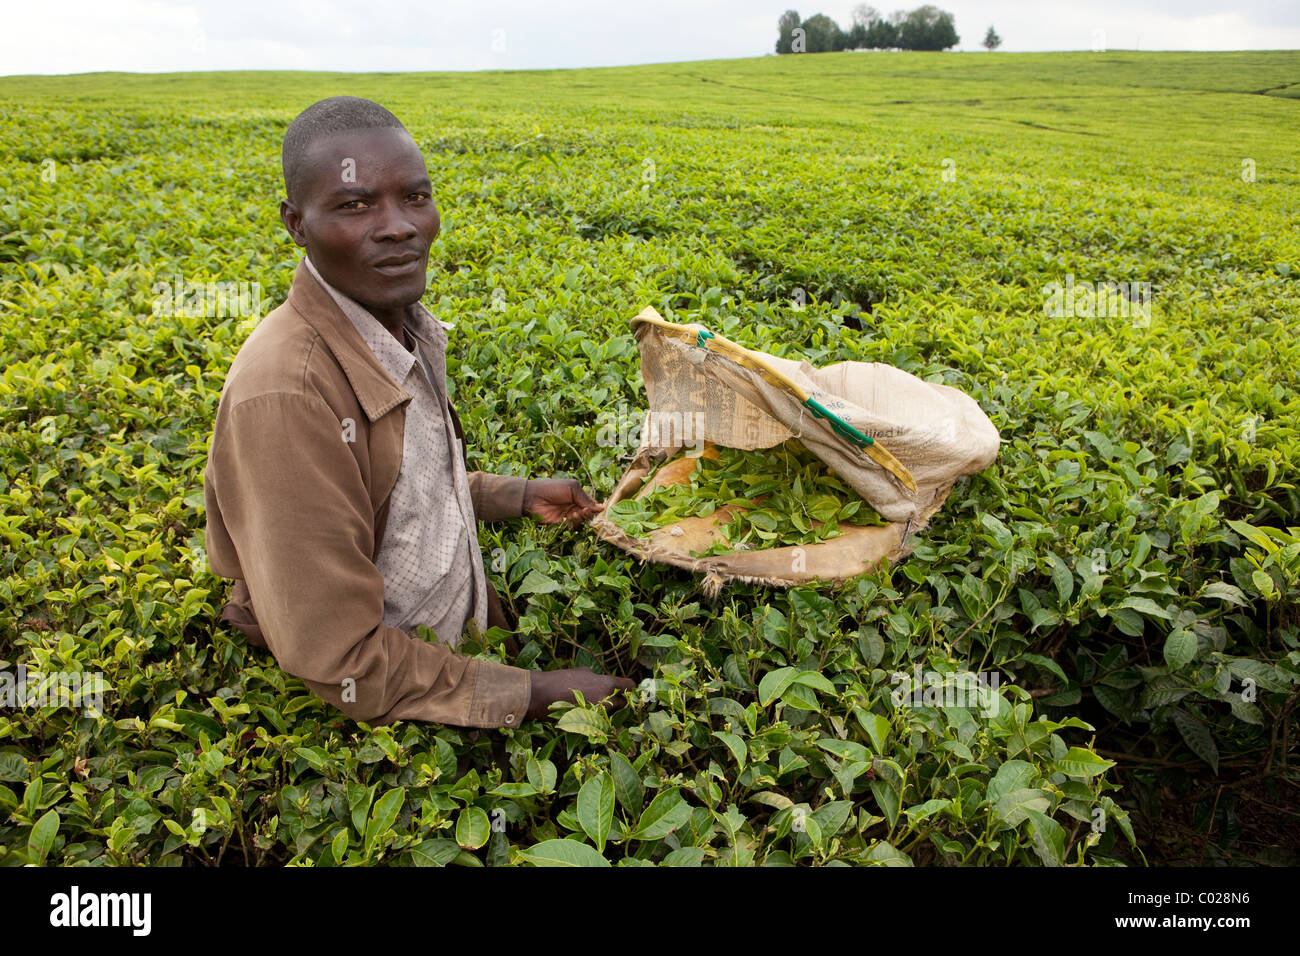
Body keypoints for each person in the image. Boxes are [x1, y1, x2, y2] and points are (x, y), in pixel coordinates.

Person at [203, 95, 635, 729]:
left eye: (414, 197)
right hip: (405, 714)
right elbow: (342, 659)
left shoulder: (392, 322)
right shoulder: (287, 396)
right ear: (296, 224)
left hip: (458, 646)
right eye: (355, 205)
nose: (398, 225)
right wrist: (535, 692)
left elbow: (390, 482)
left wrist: (512, 496)